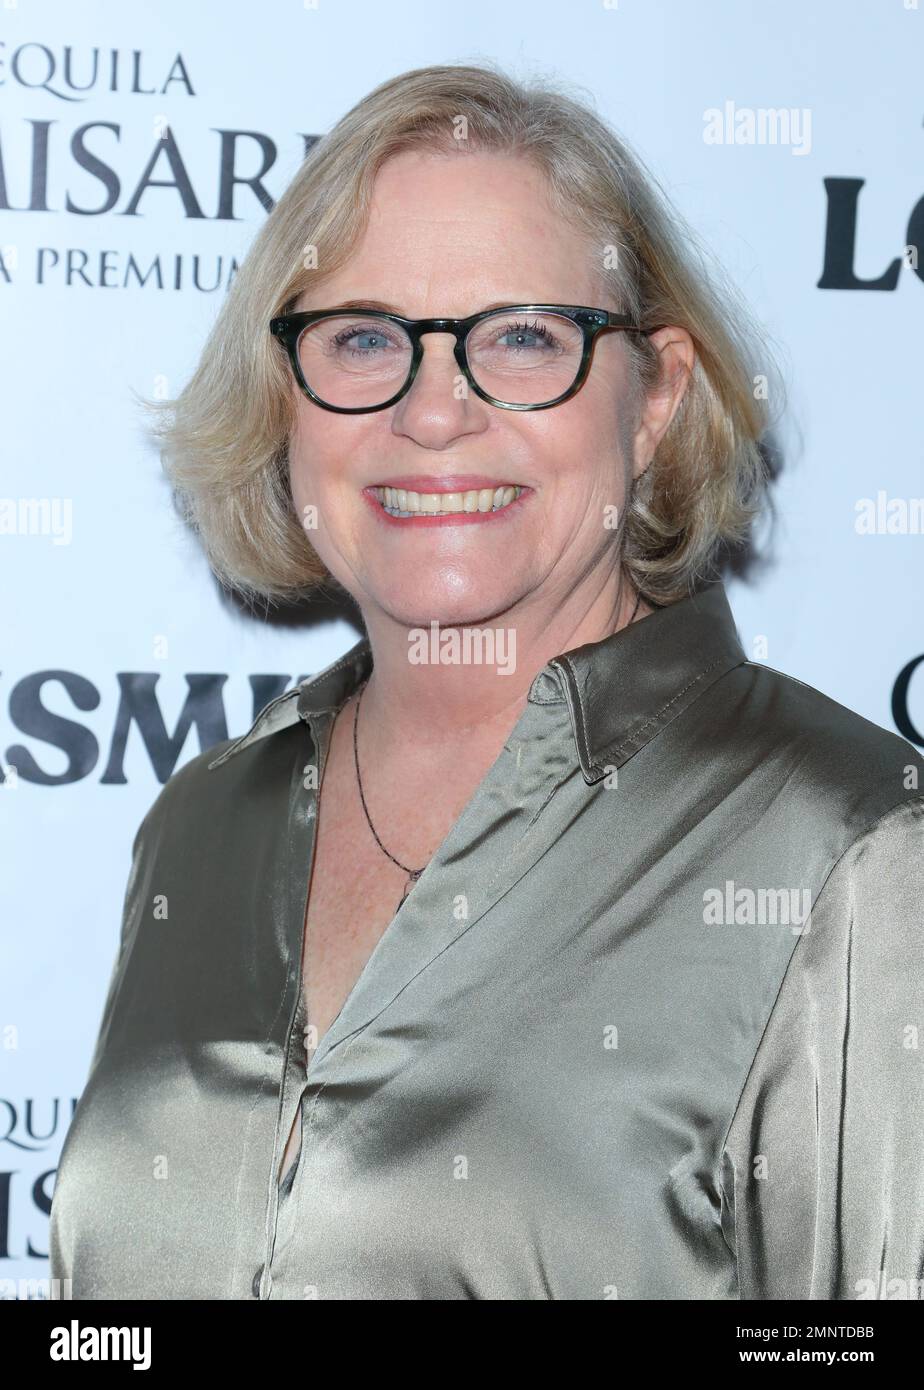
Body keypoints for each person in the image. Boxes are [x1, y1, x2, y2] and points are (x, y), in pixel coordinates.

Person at [49, 62, 923, 1300]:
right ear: (285, 399)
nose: (434, 410)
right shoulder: (202, 824)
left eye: (522, 338)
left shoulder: (858, 855)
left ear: (655, 398)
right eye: (362, 338)